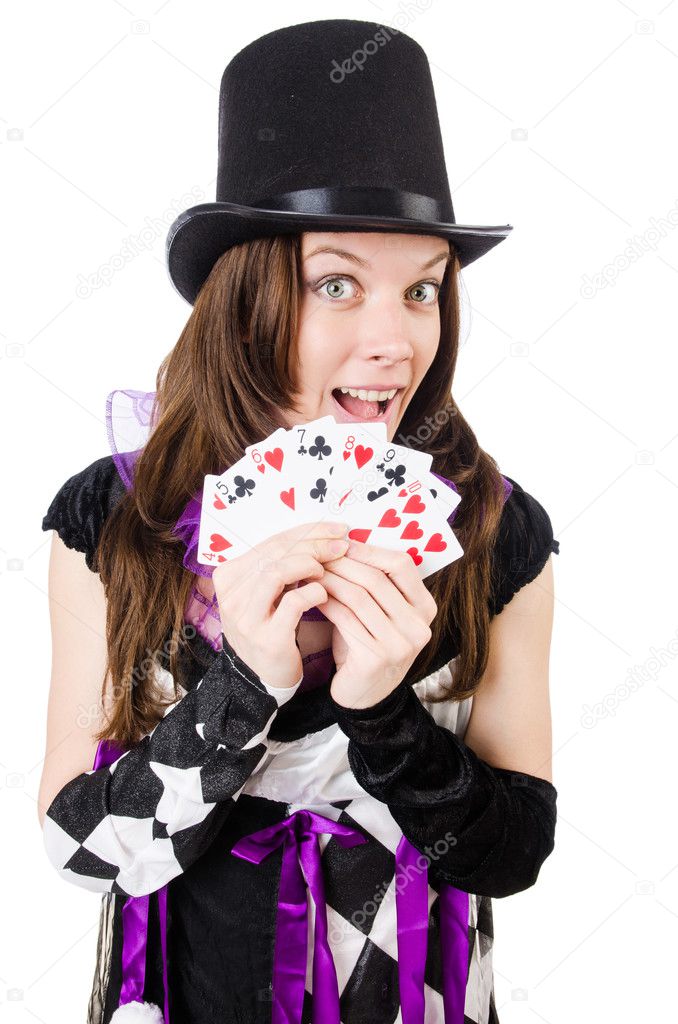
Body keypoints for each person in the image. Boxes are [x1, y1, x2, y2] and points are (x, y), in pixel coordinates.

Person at [37, 19, 560, 1024]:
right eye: (336, 282)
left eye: (421, 288)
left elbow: (509, 853)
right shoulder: (107, 523)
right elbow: (86, 849)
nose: (395, 337)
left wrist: (382, 713)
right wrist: (247, 689)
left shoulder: (499, 535)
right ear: (245, 301)